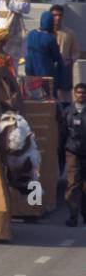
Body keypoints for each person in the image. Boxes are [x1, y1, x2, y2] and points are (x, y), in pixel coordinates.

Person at [61, 81, 86, 226]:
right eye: (79, 92)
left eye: (84, 92)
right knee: (73, 184)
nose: (81, 95)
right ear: (74, 94)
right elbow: (62, 132)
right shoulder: (68, 111)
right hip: (73, 151)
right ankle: (73, 216)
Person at [25, 11, 66, 94]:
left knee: (33, 94)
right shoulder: (50, 38)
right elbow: (56, 57)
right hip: (45, 72)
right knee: (49, 95)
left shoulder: (31, 34)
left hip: (30, 70)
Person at [51, 4, 80, 102]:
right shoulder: (45, 33)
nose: (57, 18)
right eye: (55, 15)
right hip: (49, 68)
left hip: (64, 68)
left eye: (60, 15)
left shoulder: (70, 33)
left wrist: (71, 59)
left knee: (65, 97)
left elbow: (76, 52)